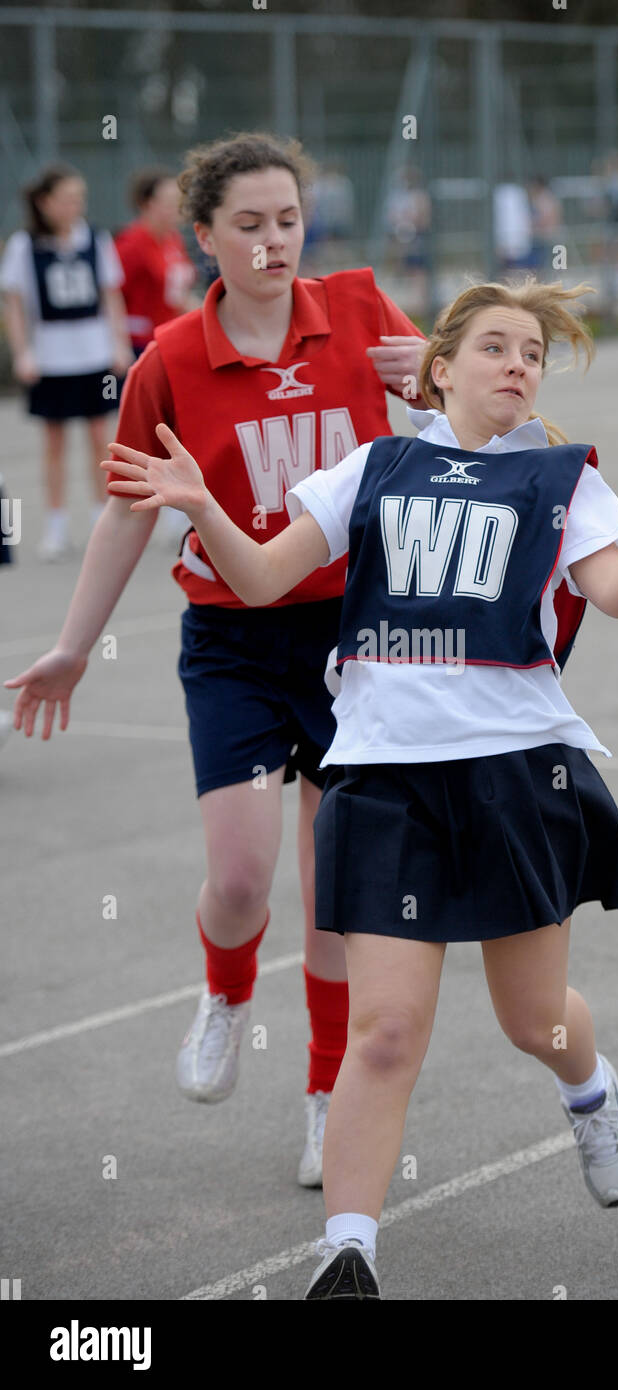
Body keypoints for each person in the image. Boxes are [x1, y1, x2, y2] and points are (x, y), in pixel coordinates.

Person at [94, 276, 618, 1300]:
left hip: (519, 773)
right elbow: (257, 581)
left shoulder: (562, 479)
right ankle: (347, 1252)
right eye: (495, 348)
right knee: (386, 1031)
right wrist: (204, 502)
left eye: (531, 353)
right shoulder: (374, 467)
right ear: (438, 370)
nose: (518, 364)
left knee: (535, 1021)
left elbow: (615, 595)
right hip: (384, 778)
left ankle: (590, 1092)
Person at [3, 130, 426, 1188]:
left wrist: (428, 378)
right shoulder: (170, 364)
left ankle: (329, 1101)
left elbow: (474, 419)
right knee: (238, 881)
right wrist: (69, 647)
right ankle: (227, 995)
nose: (276, 240)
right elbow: (126, 516)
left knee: (335, 891)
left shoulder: (367, 313)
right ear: (204, 236)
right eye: (250, 223)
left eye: (289, 218)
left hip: (359, 640)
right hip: (234, 638)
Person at [0, 164, 133, 559]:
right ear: (45, 203)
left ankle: (98, 516)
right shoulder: (26, 245)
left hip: (93, 352)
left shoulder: (95, 239)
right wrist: (23, 352)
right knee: (54, 444)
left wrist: (119, 344)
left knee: (99, 438)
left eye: (79, 198)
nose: (75, 205)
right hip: (51, 357)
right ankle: (56, 523)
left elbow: (111, 296)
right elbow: (16, 305)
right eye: (67, 198)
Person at [115, 166, 200, 545]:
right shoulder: (131, 245)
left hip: (172, 343)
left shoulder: (173, 242)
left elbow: (178, 296)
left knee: (179, 427)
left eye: (176, 203)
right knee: (150, 431)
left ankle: (177, 508)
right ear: (147, 204)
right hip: (141, 347)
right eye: (166, 202)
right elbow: (112, 297)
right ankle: (145, 511)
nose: (174, 210)